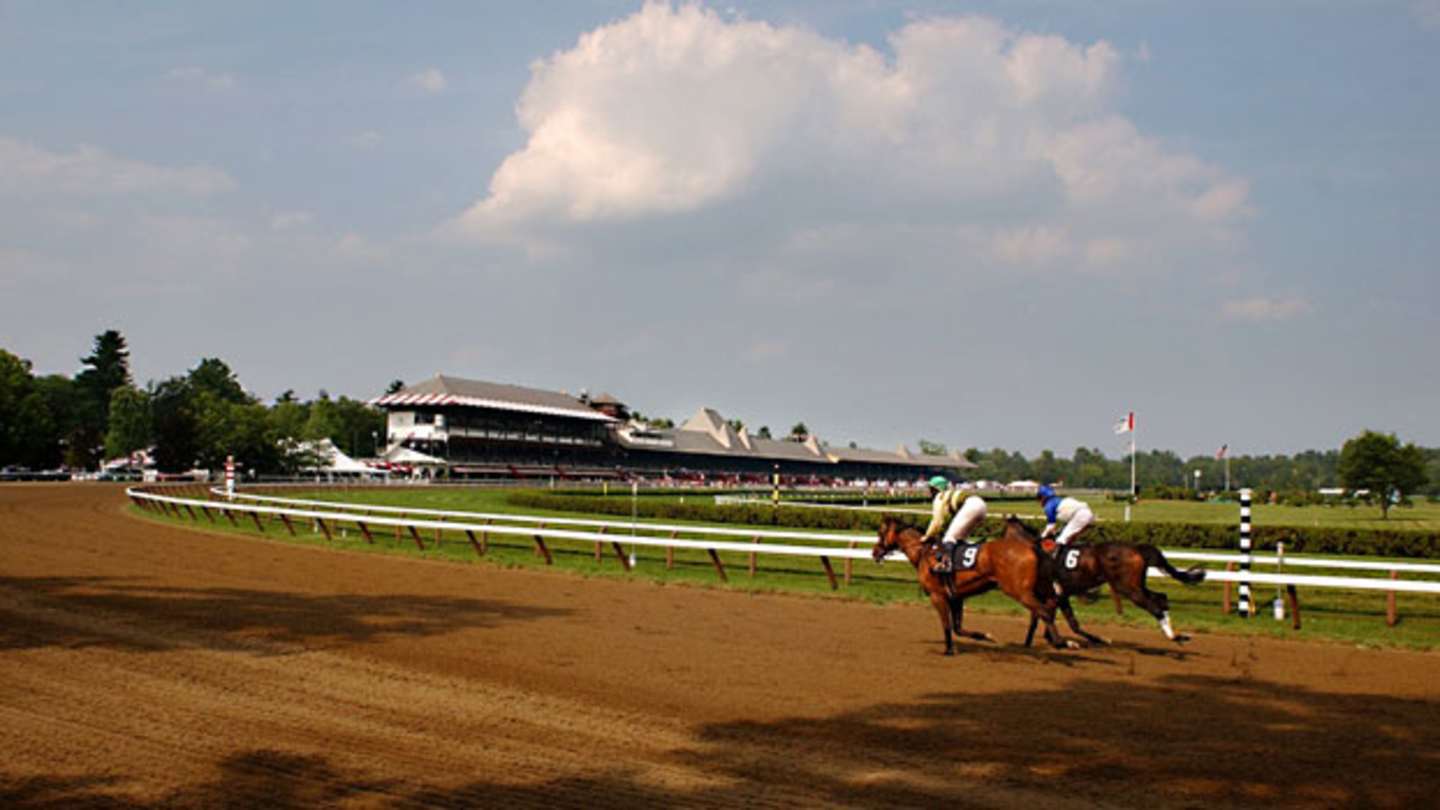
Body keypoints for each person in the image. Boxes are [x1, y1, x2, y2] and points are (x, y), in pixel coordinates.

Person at [923, 475, 987, 573]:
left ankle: (946, 564)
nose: (930, 492)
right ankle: (964, 564)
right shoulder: (949, 494)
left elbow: (937, 522)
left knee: (949, 538)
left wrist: (927, 535)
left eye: (931, 489)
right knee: (959, 539)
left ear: (936, 489)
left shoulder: (940, 497)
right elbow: (946, 520)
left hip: (972, 506)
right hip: (981, 506)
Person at [1037, 484, 1095, 549]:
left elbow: (1051, 526)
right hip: (1087, 514)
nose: (1038, 501)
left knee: (1060, 540)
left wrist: (1041, 537)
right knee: (1068, 538)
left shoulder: (1049, 506)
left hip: (1081, 516)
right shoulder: (1058, 500)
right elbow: (1066, 520)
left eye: (1039, 497)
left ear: (1044, 497)